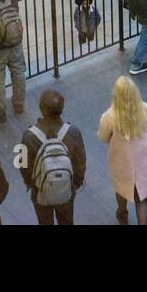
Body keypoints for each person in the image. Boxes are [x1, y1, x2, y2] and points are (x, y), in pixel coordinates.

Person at [19, 89, 87, 225]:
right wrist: (75, 183)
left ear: (40, 109)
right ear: (62, 109)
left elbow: (22, 166)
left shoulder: (28, 135)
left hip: (40, 191)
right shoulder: (73, 132)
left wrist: (32, 184)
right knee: (67, 221)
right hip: (66, 188)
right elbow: (81, 162)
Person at [97, 76, 147, 225]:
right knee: (141, 198)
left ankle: (122, 212)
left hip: (121, 162)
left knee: (121, 188)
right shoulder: (145, 110)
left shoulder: (109, 116)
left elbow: (102, 137)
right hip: (142, 162)